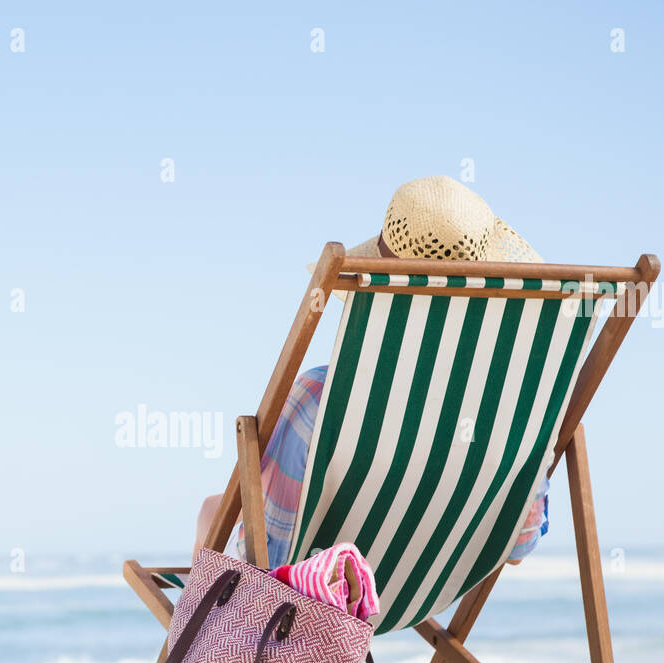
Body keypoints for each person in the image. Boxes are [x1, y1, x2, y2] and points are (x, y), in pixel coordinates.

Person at [195, 176, 550, 566]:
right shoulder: (515, 406)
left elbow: (269, 559)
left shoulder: (324, 399)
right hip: (424, 586)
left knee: (212, 512)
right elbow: (517, 545)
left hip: (323, 601)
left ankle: (201, 627)